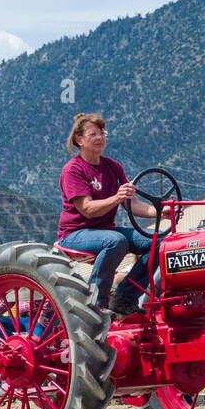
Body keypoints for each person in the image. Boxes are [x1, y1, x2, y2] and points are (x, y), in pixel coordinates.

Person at [56, 113, 156, 315]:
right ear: (79, 140)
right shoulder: (73, 170)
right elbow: (88, 209)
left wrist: (161, 211)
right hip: (75, 234)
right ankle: (95, 303)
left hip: (104, 232)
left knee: (158, 242)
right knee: (116, 240)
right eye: (93, 134)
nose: (100, 138)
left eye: (102, 133)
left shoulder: (113, 166)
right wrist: (116, 198)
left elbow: (132, 205)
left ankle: (124, 298)